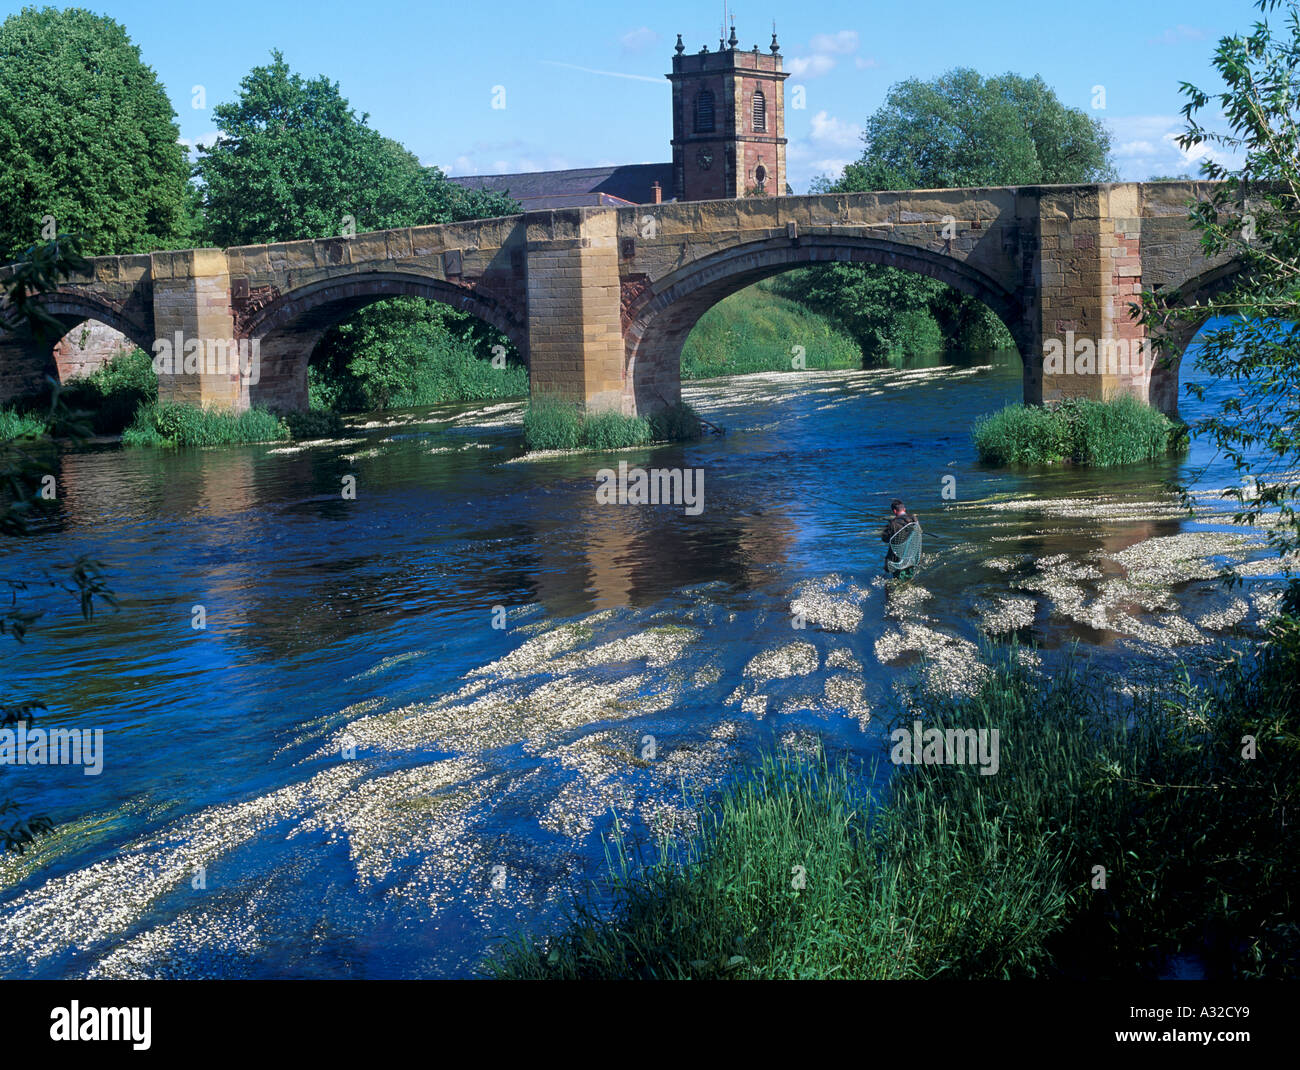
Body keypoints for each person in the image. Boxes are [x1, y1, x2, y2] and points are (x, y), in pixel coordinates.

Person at [881, 499, 921, 578]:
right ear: (904, 509)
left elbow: (884, 538)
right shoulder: (914, 519)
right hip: (912, 556)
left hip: (898, 559)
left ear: (895, 511)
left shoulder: (893, 524)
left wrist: (889, 525)